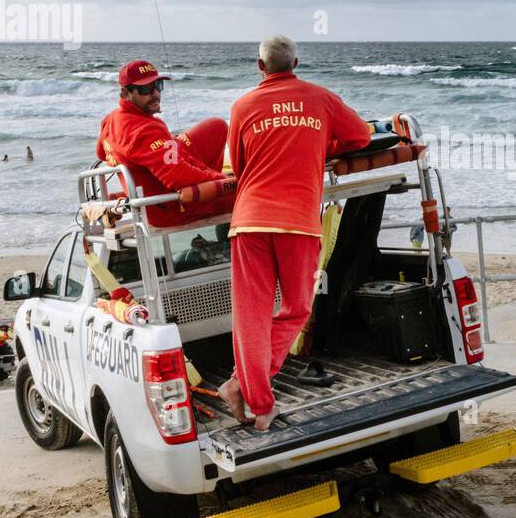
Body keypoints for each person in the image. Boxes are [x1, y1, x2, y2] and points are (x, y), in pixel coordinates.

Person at [217, 36, 372, 429]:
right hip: (297, 223)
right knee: (298, 308)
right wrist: (320, 141)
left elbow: (237, 162)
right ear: (297, 62)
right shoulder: (320, 98)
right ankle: (250, 392)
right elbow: (361, 138)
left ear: (260, 66)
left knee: (251, 317)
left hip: (249, 220)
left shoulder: (243, 105)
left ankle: (252, 395)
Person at [96, 60, 233, 227]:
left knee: (216, 127)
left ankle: (209, 178)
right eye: (146, 89)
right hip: (172, 207)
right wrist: (224, 182)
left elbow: (101, 153)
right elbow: (180, 177)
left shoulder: (110, 120)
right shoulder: (145, 130)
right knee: (248, 195)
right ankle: (212, 195)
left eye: (158, 85)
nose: (155, 93)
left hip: (153, 195)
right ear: (125, 93)